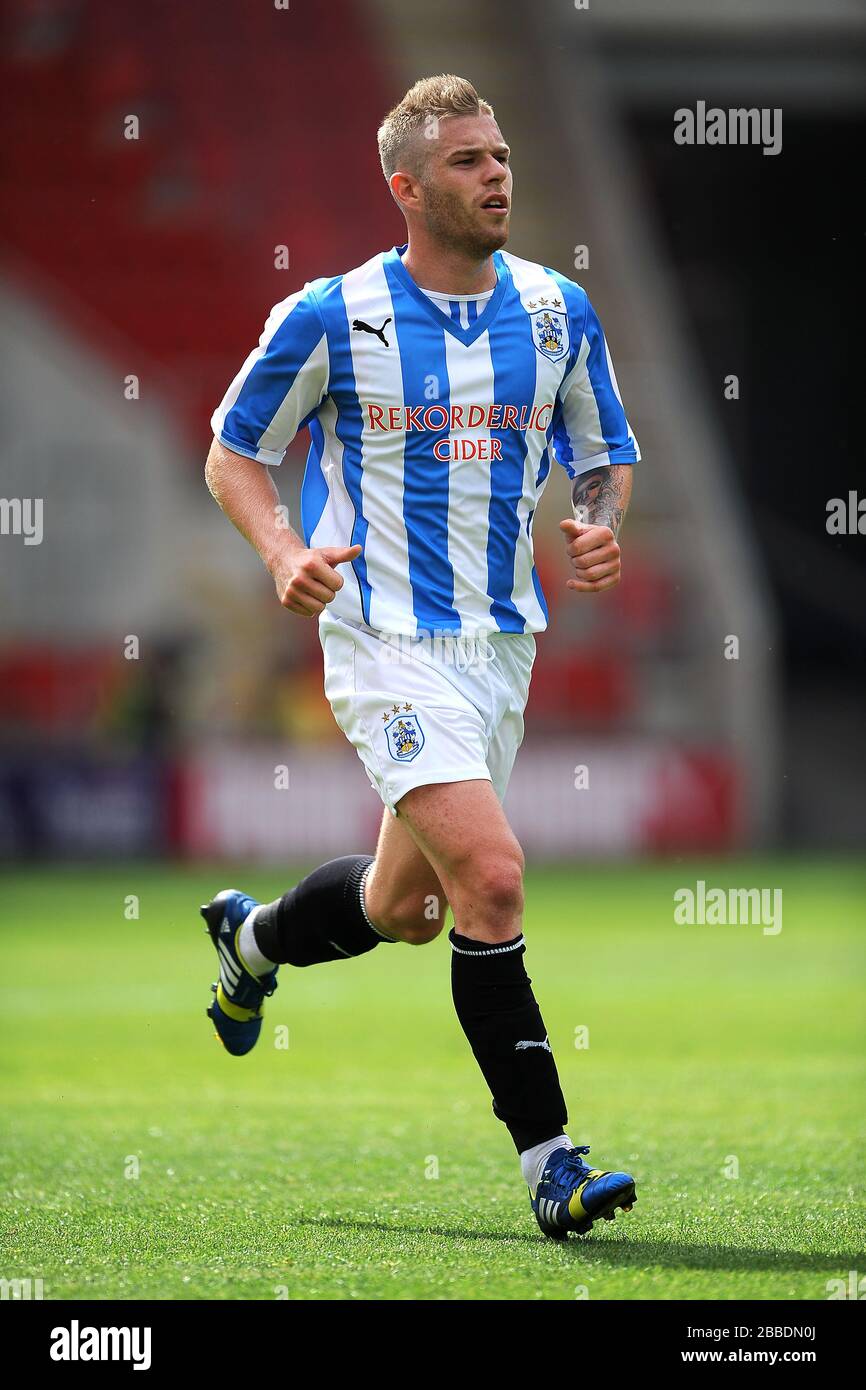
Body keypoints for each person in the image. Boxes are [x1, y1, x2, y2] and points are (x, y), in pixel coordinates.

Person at [202, 74, 639, 1240]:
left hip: (500, 648)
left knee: (406, 908)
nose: (496, 175)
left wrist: (597, 521)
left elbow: (600, 453)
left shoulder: (554, 310)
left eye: (499, 156)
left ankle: (251, 940)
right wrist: (283, 550)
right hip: (382, 640)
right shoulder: (331, 315)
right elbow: (233, 452)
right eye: (467, 161)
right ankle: (550, 1159)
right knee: (490, 878)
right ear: (405, 186)